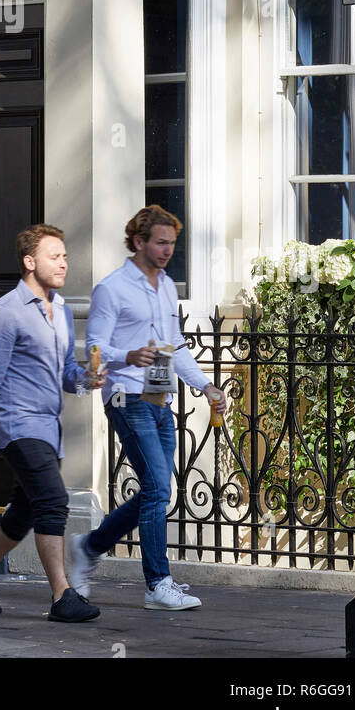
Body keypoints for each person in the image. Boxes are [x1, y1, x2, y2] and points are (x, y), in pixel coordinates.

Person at [70, 205, 226, 611]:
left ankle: (89, 547)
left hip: (160, 397)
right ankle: (158, 583)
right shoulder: (112, 288)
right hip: (126, 396)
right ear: (138, 242)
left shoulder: (168, 287)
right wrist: (128, 355)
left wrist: (205, 385)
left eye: (172, 243)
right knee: (158, 489)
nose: (167, 250)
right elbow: (94, 349)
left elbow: (176, 348)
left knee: (157, 491)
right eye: (160, 242)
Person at [0, 223, 105, 623]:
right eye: (55, 256)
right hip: (17, 424)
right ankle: (62, 596)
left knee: (24, 509)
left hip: (48, 427)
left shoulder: (63, 310)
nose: (63, 263)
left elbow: (66, 372)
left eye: (65, 256)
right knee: (53, 502)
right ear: (29, 261)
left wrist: (87, 378)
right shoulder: (7, 313)